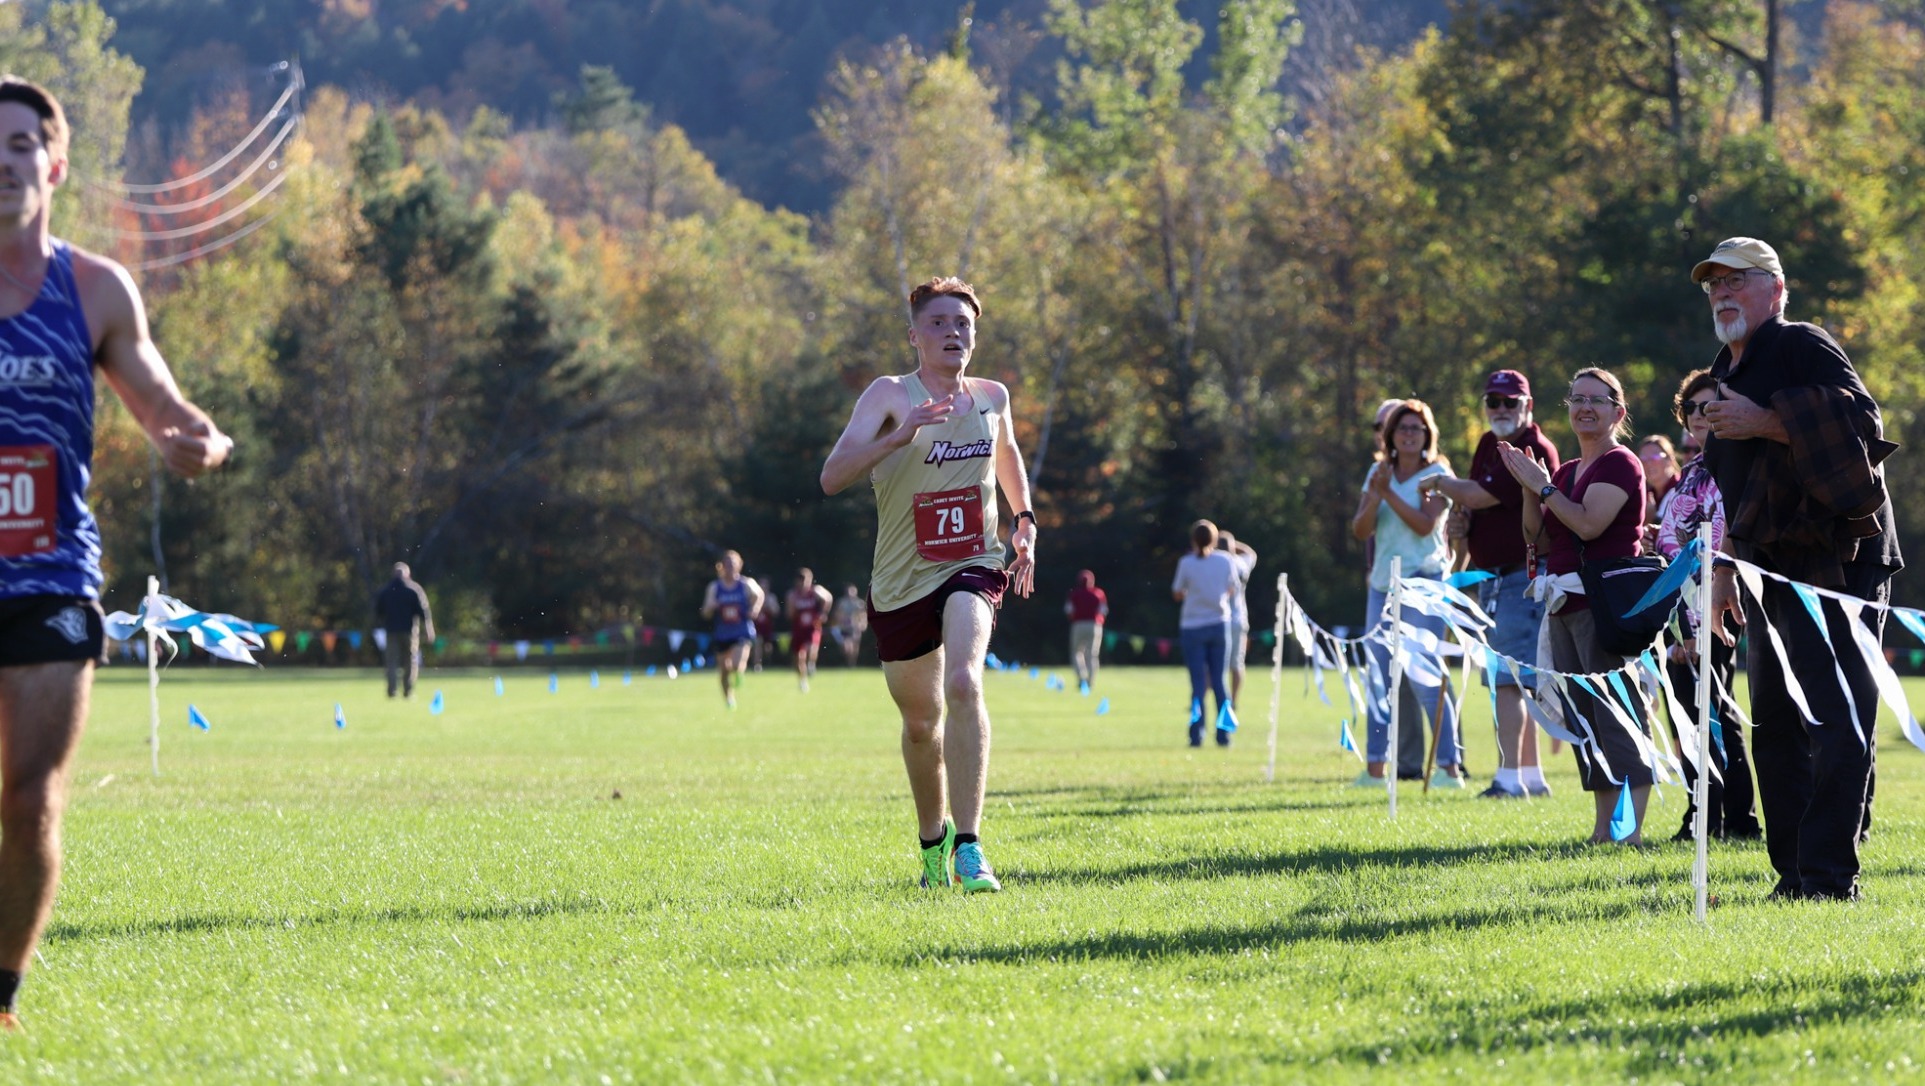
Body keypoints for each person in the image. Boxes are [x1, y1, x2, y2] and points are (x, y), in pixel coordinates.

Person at [0, 78, 234, 1029]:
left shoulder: (93, 288)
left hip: (51, 576)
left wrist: (197, 440)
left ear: (53, 167)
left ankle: (2, 990)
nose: (5, 161)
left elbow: (164, 403)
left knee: (28, 800)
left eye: (21, 145)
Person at [1694, 237, 1900, 901]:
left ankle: (1829, 875)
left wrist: (1765, 420)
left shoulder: (1800, 342)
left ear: (1774, 291)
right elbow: (1730, 486)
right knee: (1774, 721)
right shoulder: (1721, 371)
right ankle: (1791, 874)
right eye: (1712, 283)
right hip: (1763, 568)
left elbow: (1860, 422)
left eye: (1737, 280)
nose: (1722, 292)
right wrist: (1724, 570)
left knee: (1833, 714)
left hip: (1838, 562)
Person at [820, 275, 1036, 894]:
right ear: (914, 336)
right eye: (938, 323)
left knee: (966, 681)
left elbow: (1008, 455)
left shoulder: (993, 396)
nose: (952, 333)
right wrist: (900, 434)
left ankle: (970, 845)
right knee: (922, 724)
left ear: (975, 335)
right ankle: (933, 843)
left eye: (962, 323)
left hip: (973, 564)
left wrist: (1024, 522)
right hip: (899, 582)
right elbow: (832, 476)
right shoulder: (890, 395)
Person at [1500, 368, 1653, 844]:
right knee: (1583, 717)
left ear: (1618, 412)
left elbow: (1589, 525)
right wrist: (1531, 489)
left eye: (1598, 400)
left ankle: (1630, 833)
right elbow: (1538, 537)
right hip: (1564, 604)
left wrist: (1545, 488)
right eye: (1577, 398)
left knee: (1616, 715)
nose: (1585, 407)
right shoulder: (1566, 471)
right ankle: (1602, 830)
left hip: (1603, 605)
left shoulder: (1621, 463)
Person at [1427, 370, 1558, 798]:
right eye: (1493, 401)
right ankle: (1532, 776)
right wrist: (1463, 523)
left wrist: (1439, 483)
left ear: (1528, 406)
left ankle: (1508, 779)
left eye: (1510, 401)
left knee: (1508, 679)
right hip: (1495, 579)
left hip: (1525, 575)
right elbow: (1477, 502)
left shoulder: (1532, 448)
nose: (1501, 409)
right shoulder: (1489, 444)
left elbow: (1481, 495)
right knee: (1518, 678)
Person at [1657, 368, 1760, 842]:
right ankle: (1730, 818)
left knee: (1709, 716)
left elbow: (1722, 544)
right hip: (1678, 612)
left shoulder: (1731, 467)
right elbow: (1675, 545)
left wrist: (1697, 628)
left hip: (1717, 605)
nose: (1700, 416)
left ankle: (1713, 818)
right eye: (1692, 408)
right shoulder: (1690, 474)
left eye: (1709, 407)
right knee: (1698, 715)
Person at [1352, 399, 1463, 788]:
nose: (1410, 434)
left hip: (1424, 584)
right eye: (1403, 428)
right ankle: (1374, 770)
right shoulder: (1377, 472)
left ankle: (1450, 769)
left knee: (1425, 677)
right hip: (1382, 585)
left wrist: (1389, 495)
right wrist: (1377, 493)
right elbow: (1361, 530)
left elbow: (1423, 524)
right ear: (1390, 436)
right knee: (1379, 679)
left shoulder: (1438, 474)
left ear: (1428, 434)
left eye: (1417, 428)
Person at [1172, 520, 1238, 747]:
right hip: (1219, 623)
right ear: (1214, 539)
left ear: (1193, 539)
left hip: (1192, 626)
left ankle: (1196, 734)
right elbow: (1232, 589)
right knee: (1219, 682)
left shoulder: (1186, 562)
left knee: (1198, 684)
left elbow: (1177, 593)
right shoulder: (1226, 560)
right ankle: (1224, 734)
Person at [700, 550, 765, 709]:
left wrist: (755, 609)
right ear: (721, 566)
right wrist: (711, 607)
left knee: (736, 663)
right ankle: (729, 699)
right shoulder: (715, 587)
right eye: (727, 563)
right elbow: (706, 612)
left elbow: (760, 595)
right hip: (722, 633)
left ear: (739, 565)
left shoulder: (746, 584)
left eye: (733, 563)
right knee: (723, 671)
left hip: (742, 631)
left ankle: (738, 675)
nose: (730, 567)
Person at [374, 562, 435, 698]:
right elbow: (424, 612)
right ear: (408, 574)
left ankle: (392, 691)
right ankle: (408, 691)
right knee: (411, 661)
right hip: (410, 632)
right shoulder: (414, 589)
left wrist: (378, 627)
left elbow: (378, 612)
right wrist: (429, 630)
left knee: (391, 662)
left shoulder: (386, 590)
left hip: (391, 631)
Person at [1218, 531, 1258, 708]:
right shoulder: (1242, 562)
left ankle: (1206, 698)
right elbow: (1251, 552)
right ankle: (1233, 700)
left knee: (1214, 663)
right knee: (1237, 663)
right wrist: (1233, 544)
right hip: (1239, 618)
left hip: (1219, 618)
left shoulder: (1215, 563)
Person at [786, 568, 833, 691]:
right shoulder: (793, 595)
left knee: (812, 648)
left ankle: (811, 664)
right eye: (801, 581)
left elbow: (828, 598)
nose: (804, 584)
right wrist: (794, 608)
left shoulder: (816, 591)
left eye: (806, 580)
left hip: (813, 627)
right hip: (798, 628)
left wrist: (823, 613)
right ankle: (802, 680)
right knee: (798, 657)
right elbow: (789, 614)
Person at [1063, 569, 1107, 690]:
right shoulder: (1099, 593)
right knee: (1092, 654)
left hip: (1078, 624)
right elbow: (1103, 611)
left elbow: (1069, 610)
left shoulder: (1074, 594)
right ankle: (1090, 681)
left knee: (1076, 653)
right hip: (1094, 625)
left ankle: (1081, 678)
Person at [1637, 434, 1680, 552]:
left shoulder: (1683, 491)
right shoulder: (1646, 494)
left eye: (1655, 457)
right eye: (1643, 459)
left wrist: (1652, 518)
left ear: (1670, 460)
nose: (1648, 463)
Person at [831, 584, 867, 666]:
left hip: (855, 628)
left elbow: (863, 615)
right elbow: (836, 614)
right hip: (844, 628)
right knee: (846, 647)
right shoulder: (841, 602)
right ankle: (848, 661)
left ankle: (851, 663)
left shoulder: (859, 603)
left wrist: (863, 624)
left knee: (855, 647)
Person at [750, 576, 780, 673]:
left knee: (767, 648)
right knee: (757, 644)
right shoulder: (754, 596)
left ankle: (767, 661)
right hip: (756, 626)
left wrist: (769, 606)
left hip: (767, 627)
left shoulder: (771, 597)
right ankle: (757, 665)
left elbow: (776, 612)